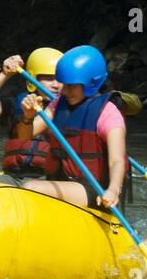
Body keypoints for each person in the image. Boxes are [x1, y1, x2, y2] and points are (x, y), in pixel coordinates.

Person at [15, 45, 129, 209]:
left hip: (96, 189)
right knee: (27, 187)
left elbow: (117, 160)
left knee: (31, 188)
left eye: (72, 86)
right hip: (63, 181)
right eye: (64, 84)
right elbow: (24, 136)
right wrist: (27, 117)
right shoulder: (57, 105)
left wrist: (113, 190)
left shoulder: (108, 113)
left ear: (92, 83)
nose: (65, 90)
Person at [0, 48, 62, 178]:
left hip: (49, 181)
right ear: (32, 80)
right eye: (48, 78)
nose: (56, 85)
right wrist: (5, 74)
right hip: (15, 177)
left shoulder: (68, 109)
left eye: (60, 79)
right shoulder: (17, 105)